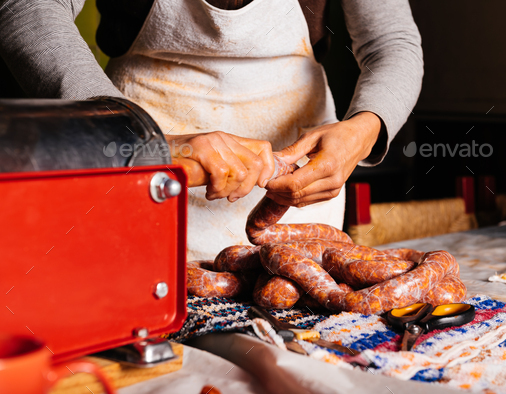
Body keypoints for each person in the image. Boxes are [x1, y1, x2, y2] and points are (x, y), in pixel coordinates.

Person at [0, 0, 423, 259]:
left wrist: (363, 131)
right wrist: (134, 136)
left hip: (300, 194)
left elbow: (393, 42)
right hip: (140, 165)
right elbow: (28, 6)